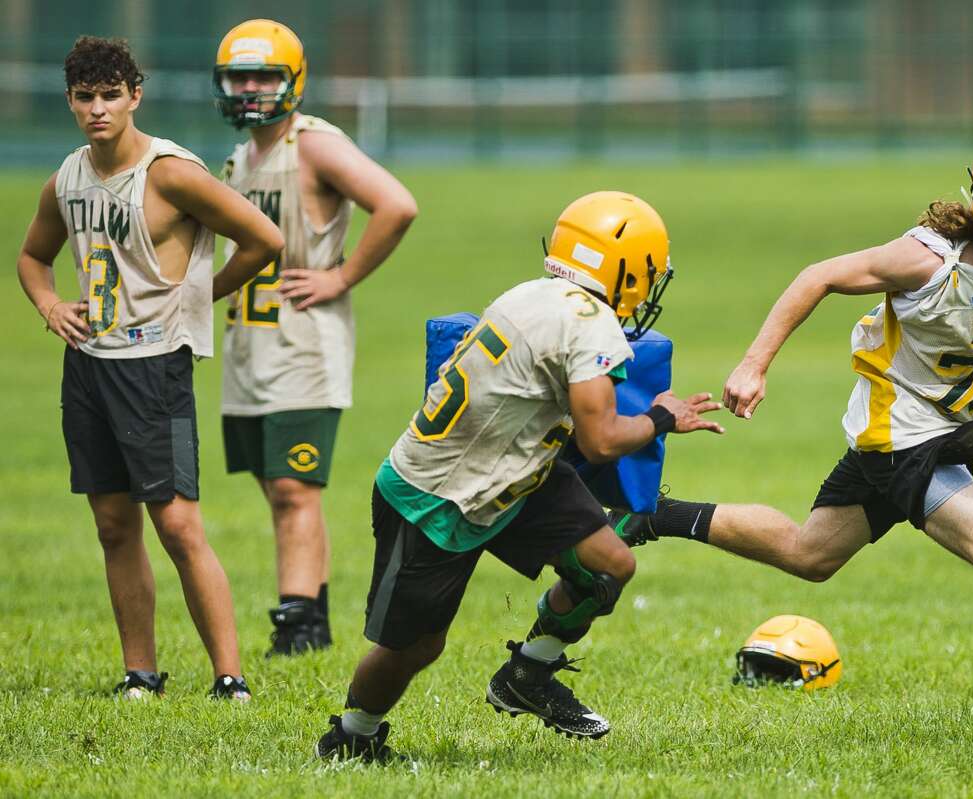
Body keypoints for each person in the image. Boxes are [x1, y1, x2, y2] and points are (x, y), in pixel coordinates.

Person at [610, 128, 973, 751]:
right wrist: (754, 363)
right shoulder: (930, 259)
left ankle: (649, 517)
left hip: (941, 432)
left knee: (809, 554)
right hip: (898, 425)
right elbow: (819, 276)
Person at [315, 191, 724, 762]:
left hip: (516, 469)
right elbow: (601, 440)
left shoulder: (530, 292)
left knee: (609, 564)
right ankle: (352, 736)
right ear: (626, 268)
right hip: (439, 495)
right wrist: (661, 418)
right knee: (416, 647)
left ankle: (526, 676)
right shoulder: (591, 322)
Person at [16, 36, 284, 699]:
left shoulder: (171, 173)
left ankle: (230, 677)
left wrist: (203, 293)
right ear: (72, 103)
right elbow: (32, 257)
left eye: (111, 95)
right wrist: (50, 303)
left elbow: (265, 239)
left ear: (135, 95)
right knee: (112, 523)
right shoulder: (69, 176)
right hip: (87, 368)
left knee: (177, 524)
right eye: (85, 97)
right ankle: (140, 672)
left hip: (153, 367)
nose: (98, 109)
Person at [212, 19, 419, 656]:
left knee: (294, 489)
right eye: (239, 77)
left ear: (293, 81)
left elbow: (397, 203)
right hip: (249, 345)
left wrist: (341, 276)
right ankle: (312, 614)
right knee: (278, 489)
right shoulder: (238, 157)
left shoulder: (314, 145)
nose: (251, 89)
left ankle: (298, 626)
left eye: (265, 76)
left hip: (303, 345)